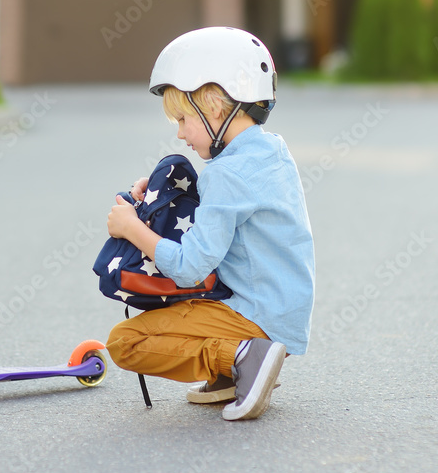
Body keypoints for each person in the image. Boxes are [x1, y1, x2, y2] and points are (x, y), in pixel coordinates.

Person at [105, 26, 315, 421]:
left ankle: (242, 357)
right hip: (282, 307)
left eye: (184, 118)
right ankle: (233, 372)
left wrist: (132, 227)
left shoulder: (226, 174)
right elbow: (231, 207)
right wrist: (159, 192)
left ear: (215, 106)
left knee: (125, 342)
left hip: (253, 313)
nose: (181, 133)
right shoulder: (270, 150)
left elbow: (189, 268)